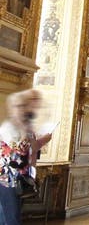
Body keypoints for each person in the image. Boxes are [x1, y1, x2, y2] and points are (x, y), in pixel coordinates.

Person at [0, 90, 52, 224]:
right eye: (19, 106)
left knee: (9, 217)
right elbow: (19, 152)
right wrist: (40, 140)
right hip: (6, 180)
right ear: (12, 109)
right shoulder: (8, 127)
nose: (22, 110)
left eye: (24, 106)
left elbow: (30, 150)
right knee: (11, 219)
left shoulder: (24, 127)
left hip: (17, 180)